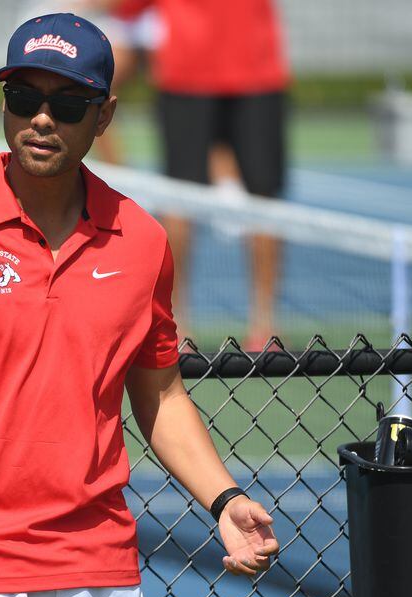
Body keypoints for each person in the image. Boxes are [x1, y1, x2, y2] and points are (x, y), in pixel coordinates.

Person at [0, 13, 278, 597]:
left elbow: (160, 394)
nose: (41, 118)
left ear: (103, 117)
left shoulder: (142, 241)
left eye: (69, 104)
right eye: (24, 98)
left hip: (101, 567)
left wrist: (224, 499)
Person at [113, 0, 290, 351]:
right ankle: (262, 327)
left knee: (194, 202)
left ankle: (184, 329)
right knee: (250, 202)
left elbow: (128, 7)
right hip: (212, 69)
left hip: (222, 70)